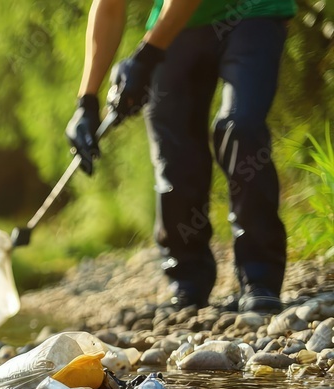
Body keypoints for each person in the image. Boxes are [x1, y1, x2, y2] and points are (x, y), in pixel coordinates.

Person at [66, 0, 295, 313]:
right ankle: (188, 283)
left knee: (239, 127)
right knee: (173, 140)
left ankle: (260, 279)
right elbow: (108, 7)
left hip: (252, 12)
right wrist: (87, 102)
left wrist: (145, 57)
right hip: (182, 25)